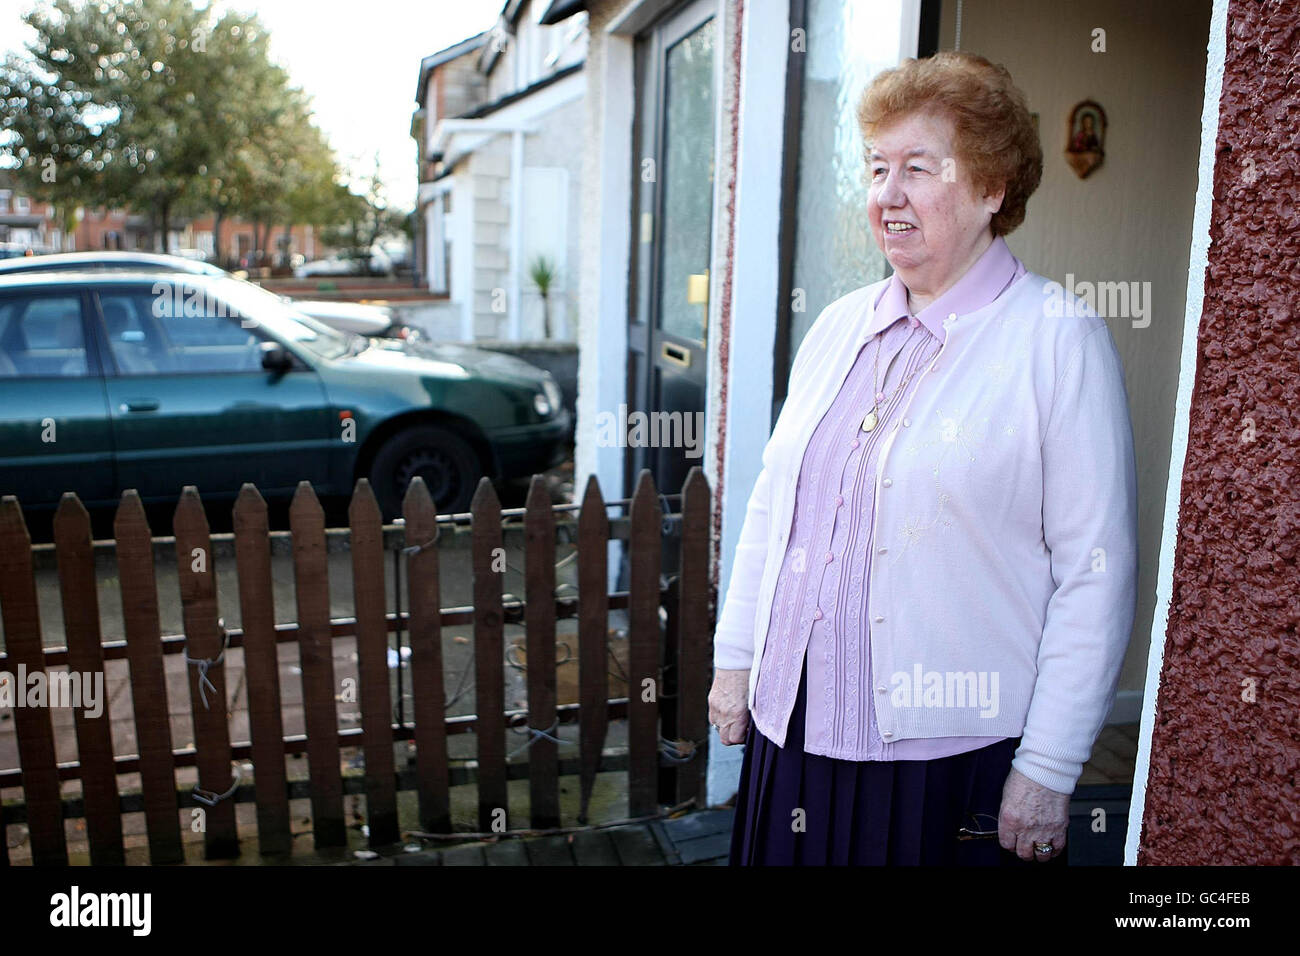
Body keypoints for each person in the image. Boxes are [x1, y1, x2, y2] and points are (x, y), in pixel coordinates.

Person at [709, 51, 1138, 866]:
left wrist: (1047, 768)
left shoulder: (1057, 340)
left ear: (990, 188)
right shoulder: (838, 325)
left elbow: (1096, 569)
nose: (887, 194)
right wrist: (737, 661)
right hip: (793, 732)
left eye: (916, 168)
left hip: (946, 760)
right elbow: (776, 506)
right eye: (876, 168)